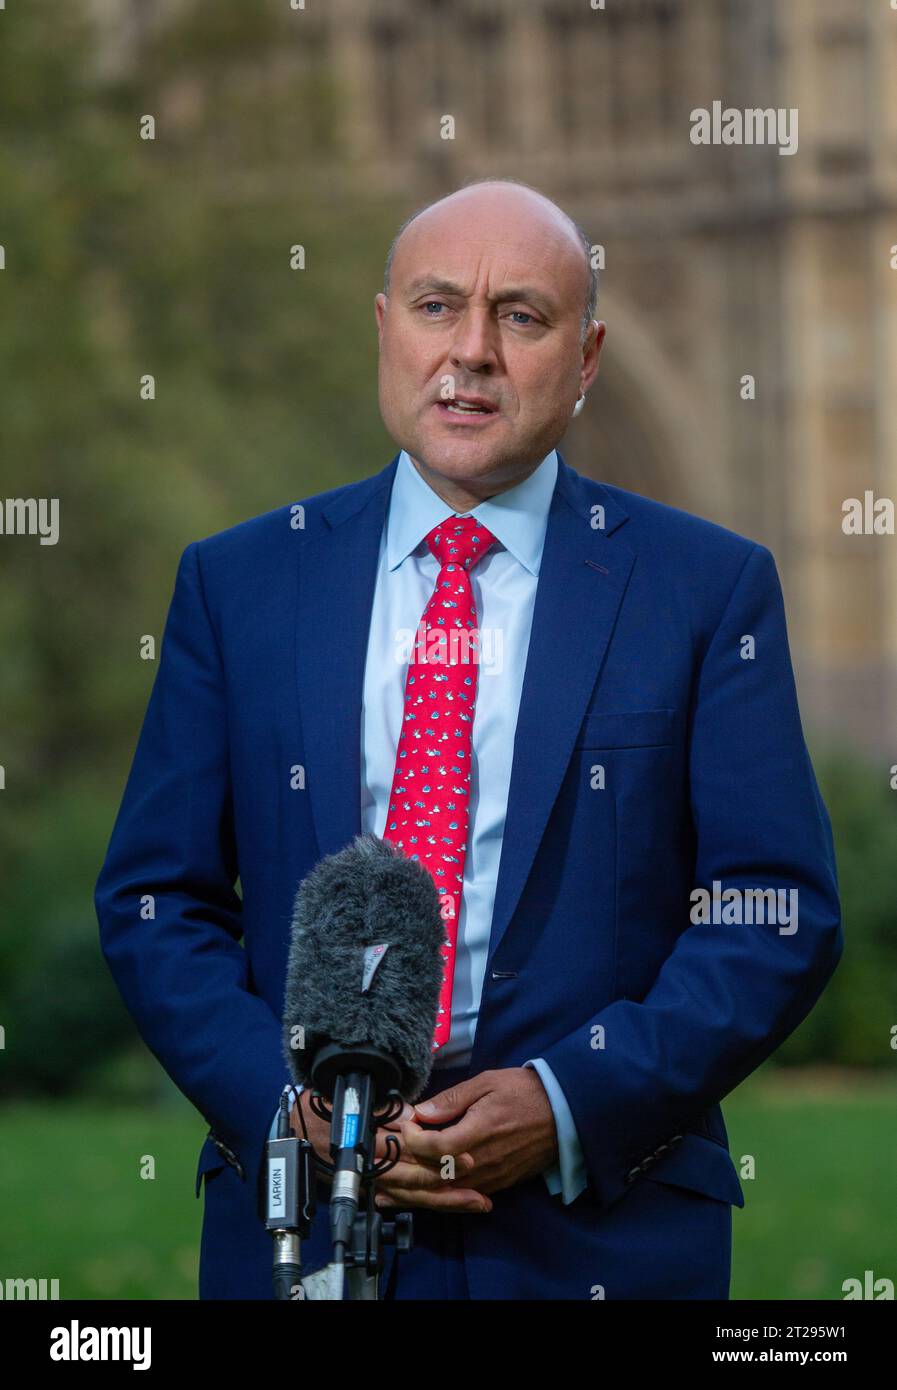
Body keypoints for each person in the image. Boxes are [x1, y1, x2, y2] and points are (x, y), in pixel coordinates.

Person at [95, 178, 842, 1300]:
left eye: (522, 317)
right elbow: (158, 900)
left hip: (600, 1240)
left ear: (586, 359)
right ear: (384, 329)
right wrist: (284, 1102)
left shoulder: (706, 589)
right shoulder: (238, 583)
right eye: (439, 306)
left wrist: (566, 1102)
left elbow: (775, 911)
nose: (474, 351)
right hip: (297, 1236)